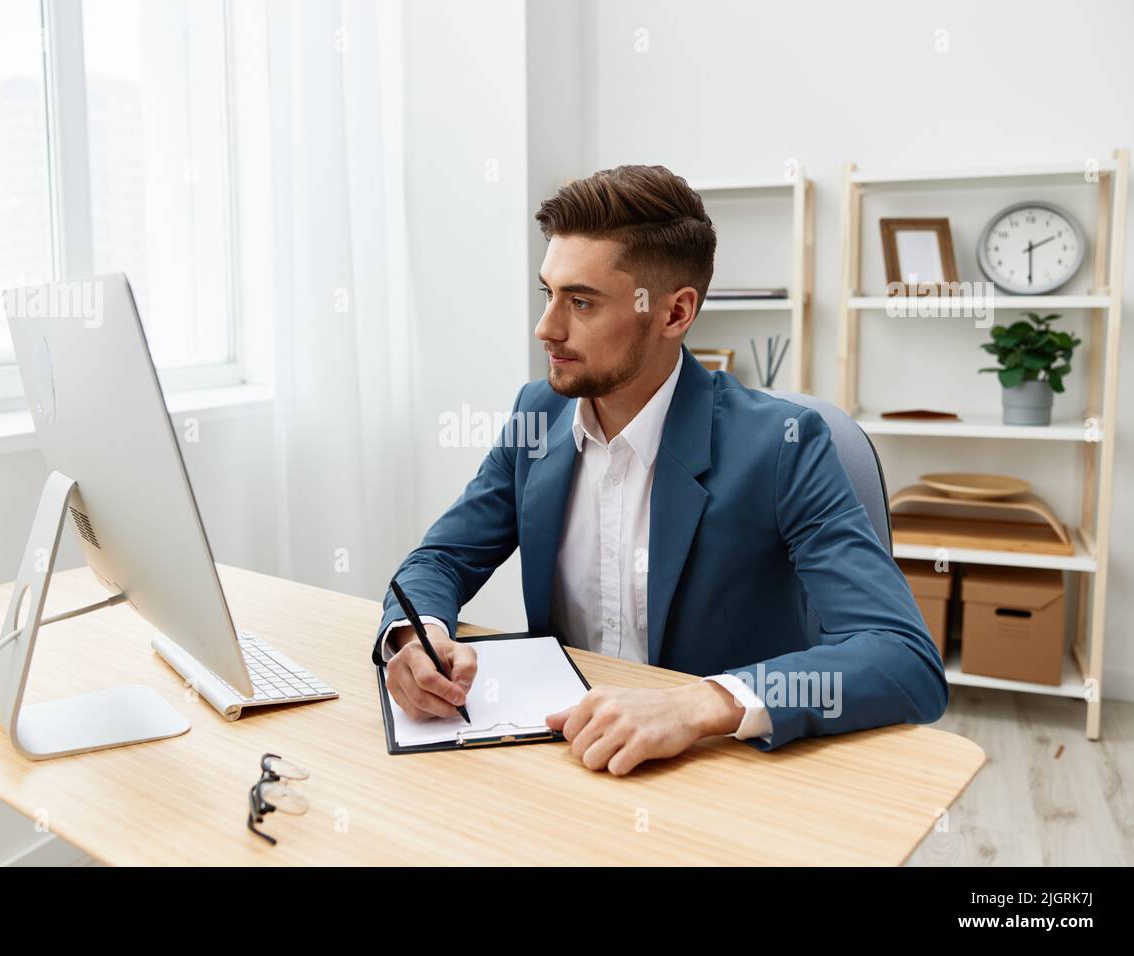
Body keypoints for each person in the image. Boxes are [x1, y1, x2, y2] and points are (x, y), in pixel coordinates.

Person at [372, 164, 947, 776]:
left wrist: (702, 702)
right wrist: (417, 637)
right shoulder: (536, 416)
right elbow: (441, 559)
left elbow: (903, 658)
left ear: (675, 313)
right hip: (566, 754)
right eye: (549, 293)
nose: (547, 328)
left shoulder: (784, 446)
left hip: (713, 771)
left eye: (582, 302)